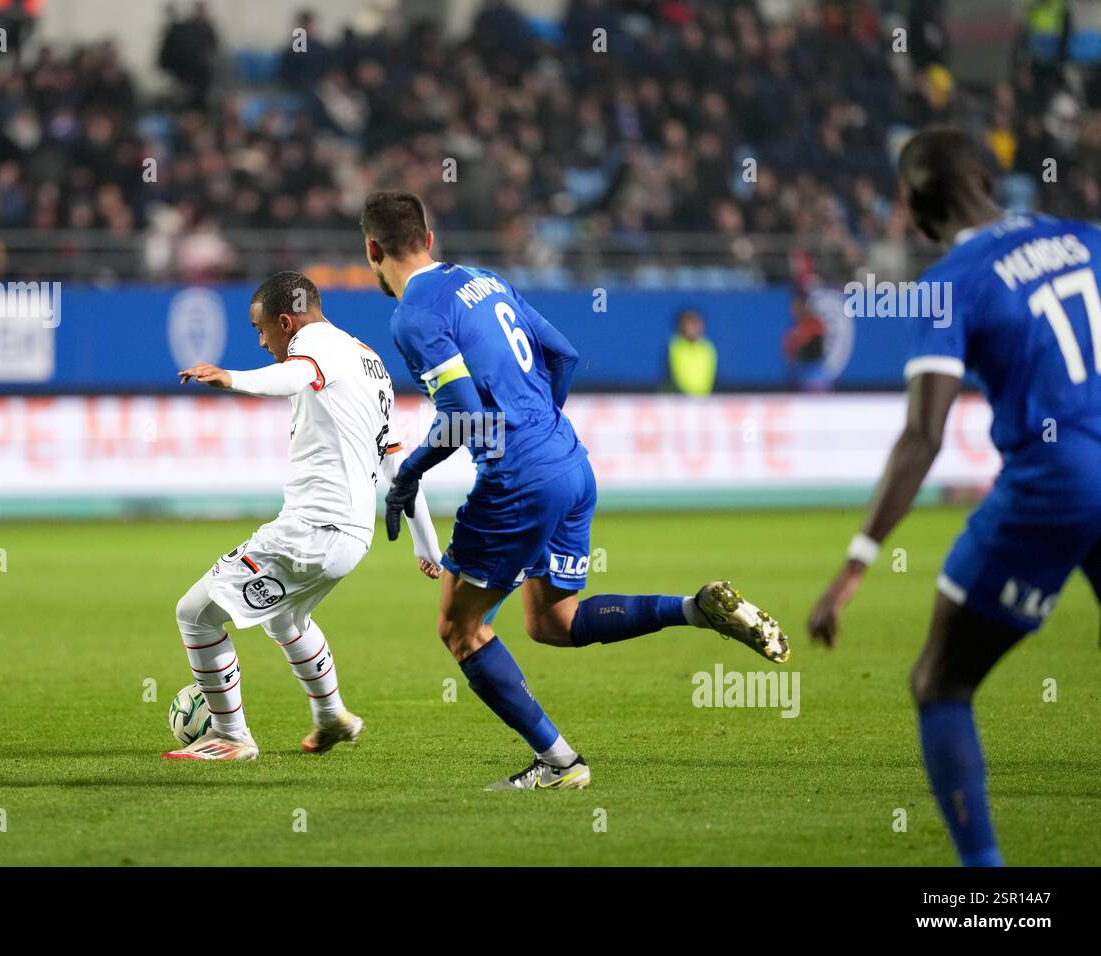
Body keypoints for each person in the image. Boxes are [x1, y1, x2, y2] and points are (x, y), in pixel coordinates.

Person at [361, 190, 790, 791]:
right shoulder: (484, 280)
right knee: (552, 621)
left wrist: (408, 476)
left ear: (372, 248)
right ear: (428, 239)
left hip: (520, 479)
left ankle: (561, 764)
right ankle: (697, 610)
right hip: (570, 461)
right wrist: (541, 426)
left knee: (460, 629)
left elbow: (459, 408)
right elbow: (564, 354)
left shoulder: (414, 315)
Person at [808, 127, 1101, 865]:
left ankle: (986, 887)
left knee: (941, 679)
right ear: (988, 177)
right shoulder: (1084, 236)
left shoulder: (953, 282)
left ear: (909, 205)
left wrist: (856, 561)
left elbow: (923, 436)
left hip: (1057, 479)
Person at [167, 271, 441, 760]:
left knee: (194, 615)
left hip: (312, 531)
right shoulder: (368, 361)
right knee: (285, 617)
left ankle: (231, 736)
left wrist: (232, 378)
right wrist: (427, 544)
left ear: (286, 322)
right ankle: (331, 715)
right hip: (352, 538)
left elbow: (294, 375)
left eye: (261, 329)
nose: (261, 341)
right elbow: (398, 461)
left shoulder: (312, 351)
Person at [666, 307, 717, 395]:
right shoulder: (675, 346)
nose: (693, 328)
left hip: (704, 400)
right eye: (689, 324)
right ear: (681, 326)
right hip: (678, 399)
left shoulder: (708, 348)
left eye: (695, 324)